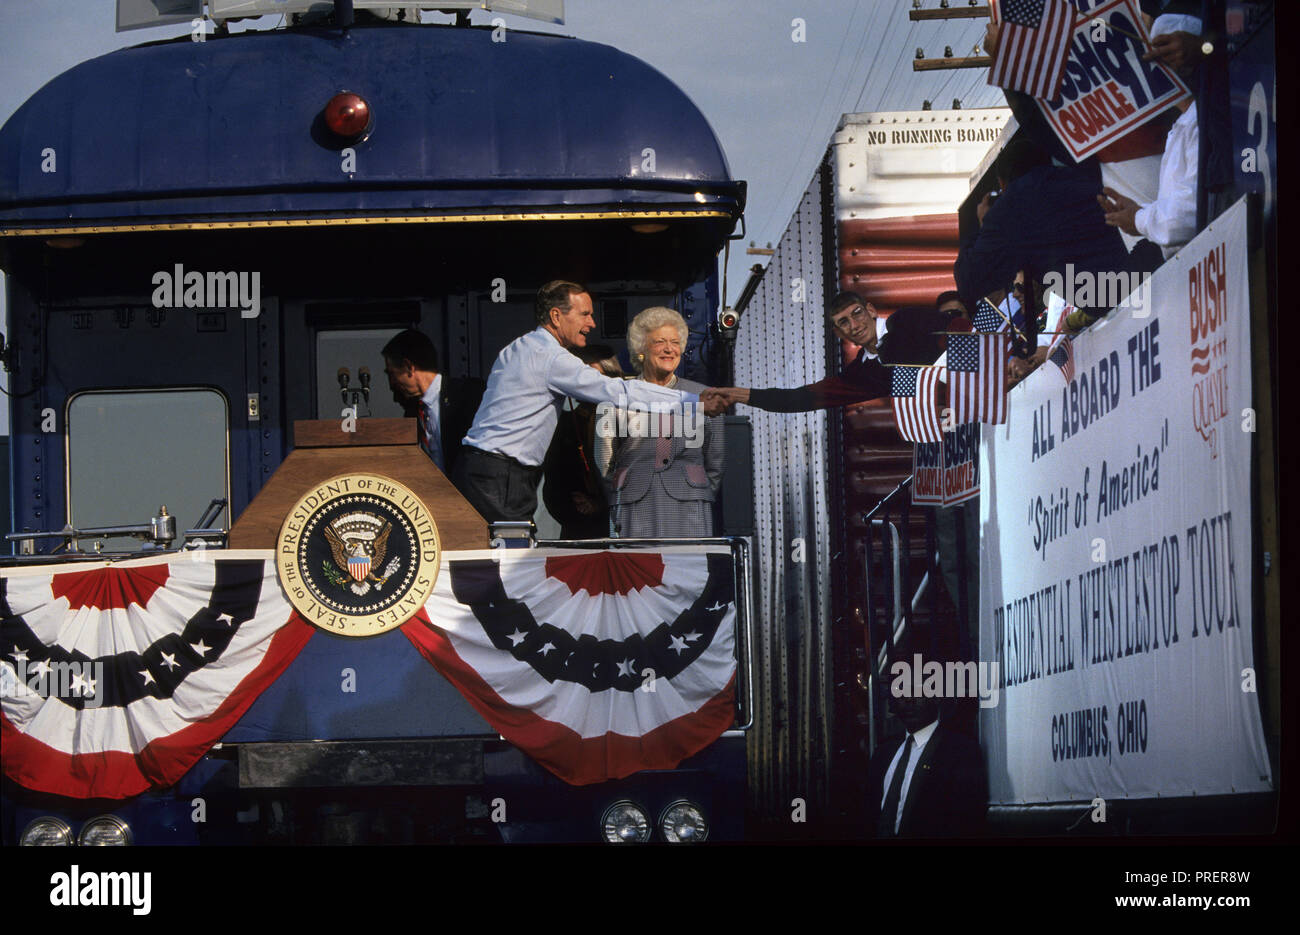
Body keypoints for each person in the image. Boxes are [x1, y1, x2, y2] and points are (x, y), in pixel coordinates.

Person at [454, 281, 720, 523]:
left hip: (487, 471)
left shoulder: (517, 348)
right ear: (556, 316)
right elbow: (617, 392)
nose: (592, 323)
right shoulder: (550, 357)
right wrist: (694, 402)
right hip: (502, 477)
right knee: (510, 561)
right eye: (585, 314)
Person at [953, 138, 1131, 324]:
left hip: (1106, 303)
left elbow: (969, 283)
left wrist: (982, 224)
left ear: (1002, 184)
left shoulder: (1011, 209)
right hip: (1135, 281)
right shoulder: (1081, 177)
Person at [702, 291, 949, 413]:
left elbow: (960, 332)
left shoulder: (906, 321)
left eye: (857, 313)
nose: (854, 325)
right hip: (948, 426)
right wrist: (737, 395)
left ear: (871, 310)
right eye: (843, 322)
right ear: (839, 333)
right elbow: (801, 398)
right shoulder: (863, 373)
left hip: (980, 399)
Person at [595, 307, 724, 538]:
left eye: (675, 342)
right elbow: (604, 462)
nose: (669, 349)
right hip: (633, 504)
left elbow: (715, 462)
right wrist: (621, 490)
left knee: (687, 572)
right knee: (638, 571)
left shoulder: (705, 396)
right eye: (660, 342)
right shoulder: (617, 396)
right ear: (641, 348)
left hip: (690, 508)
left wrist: (695, 487)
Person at [1097, 13, 1204, 260]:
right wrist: (1137, 214)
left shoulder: (1202, 119)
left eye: (1164, 57)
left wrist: (1138, 218)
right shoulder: (1181, 127)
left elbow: (1189, 216)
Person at [864, 685, 987, 838]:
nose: (908, 699)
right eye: (902, 692)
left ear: (936, 697)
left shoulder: (960, 751)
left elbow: (967, 821)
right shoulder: (883, 753)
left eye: (917, 691)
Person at [542, 344, 621, 539]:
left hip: (626, 524)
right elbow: (554, 485)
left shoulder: (631, 418)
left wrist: (602, 505)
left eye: (593, 377)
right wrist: (579, 507)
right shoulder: (566, 425)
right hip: (583, 531)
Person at [381, 329, 484, 476]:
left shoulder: (468, 395)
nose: (391, 383)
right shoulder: (412, 413)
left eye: (392, 373)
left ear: (409, 367)